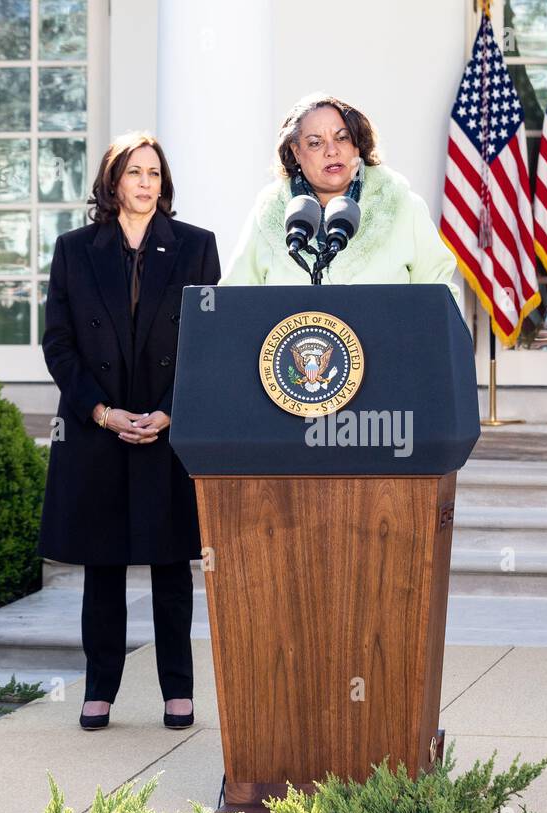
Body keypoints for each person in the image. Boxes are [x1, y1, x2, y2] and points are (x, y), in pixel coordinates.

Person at [38, 131, 221, 731]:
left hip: (169, 427)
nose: (146, 182)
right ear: (112, 183)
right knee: (103, 567)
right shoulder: (73, 249)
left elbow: (207, 344)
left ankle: (178, 691)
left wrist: (171, 409)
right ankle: (99, 691)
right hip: (97, 428)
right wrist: (100, 411)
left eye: (154, 172)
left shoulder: (196, 247)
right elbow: (59, 344)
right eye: (134, 172)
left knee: (172, 566)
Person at [222, 91, 463, 317]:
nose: (332, 151)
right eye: (315, 142)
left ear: (358, 144)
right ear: (296, 152)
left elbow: (441, 303)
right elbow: (233, 307)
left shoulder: (404, 207)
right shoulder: (267, 217)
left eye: (342, 138)